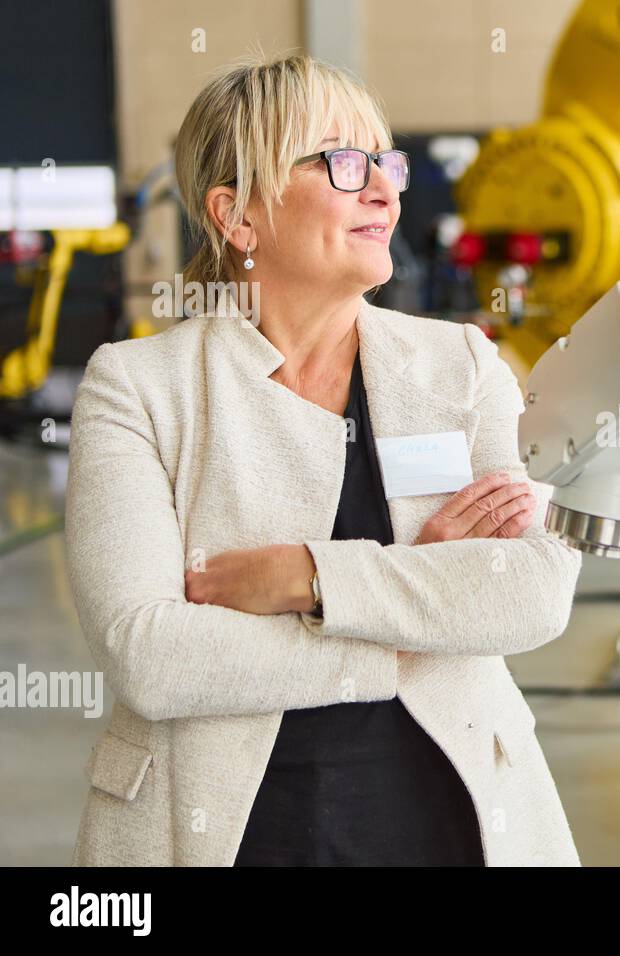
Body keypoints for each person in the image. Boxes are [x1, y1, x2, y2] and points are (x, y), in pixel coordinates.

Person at [64, 51, 583, 866]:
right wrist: (417, 613)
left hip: (453, 824)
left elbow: (532, 594)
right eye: (343, 163)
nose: (385, 188)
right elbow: (153, 657)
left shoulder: (462, 366)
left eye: (386, 160)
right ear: (238, 217)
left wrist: (308, 577)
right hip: (228, 833)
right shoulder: (137, 390)